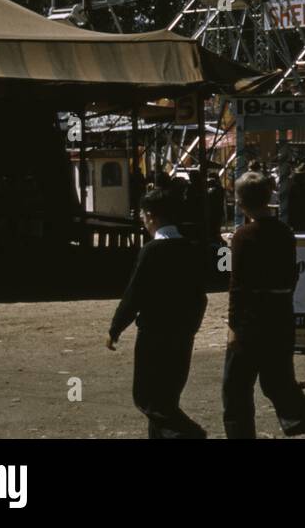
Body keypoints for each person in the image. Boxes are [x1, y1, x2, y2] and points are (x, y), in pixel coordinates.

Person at [222, 171, 305, 439]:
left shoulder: (243, 237)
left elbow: (238, 286)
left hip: (250, 320)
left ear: (240, 202)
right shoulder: (284, 232)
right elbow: (292, 274)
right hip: (280, 315)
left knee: (236, 388)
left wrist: (233, 325)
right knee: (278, 383)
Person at [107, 188, 208, 439]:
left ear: (150, 215)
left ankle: (189, 434)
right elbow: (200, 295)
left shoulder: (151, 251)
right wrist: (191, 326)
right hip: (183, 334)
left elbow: (134, 295)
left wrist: (115, 328)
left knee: (147, 398)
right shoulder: (192, 248)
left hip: (154, 334)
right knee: (168, 396)